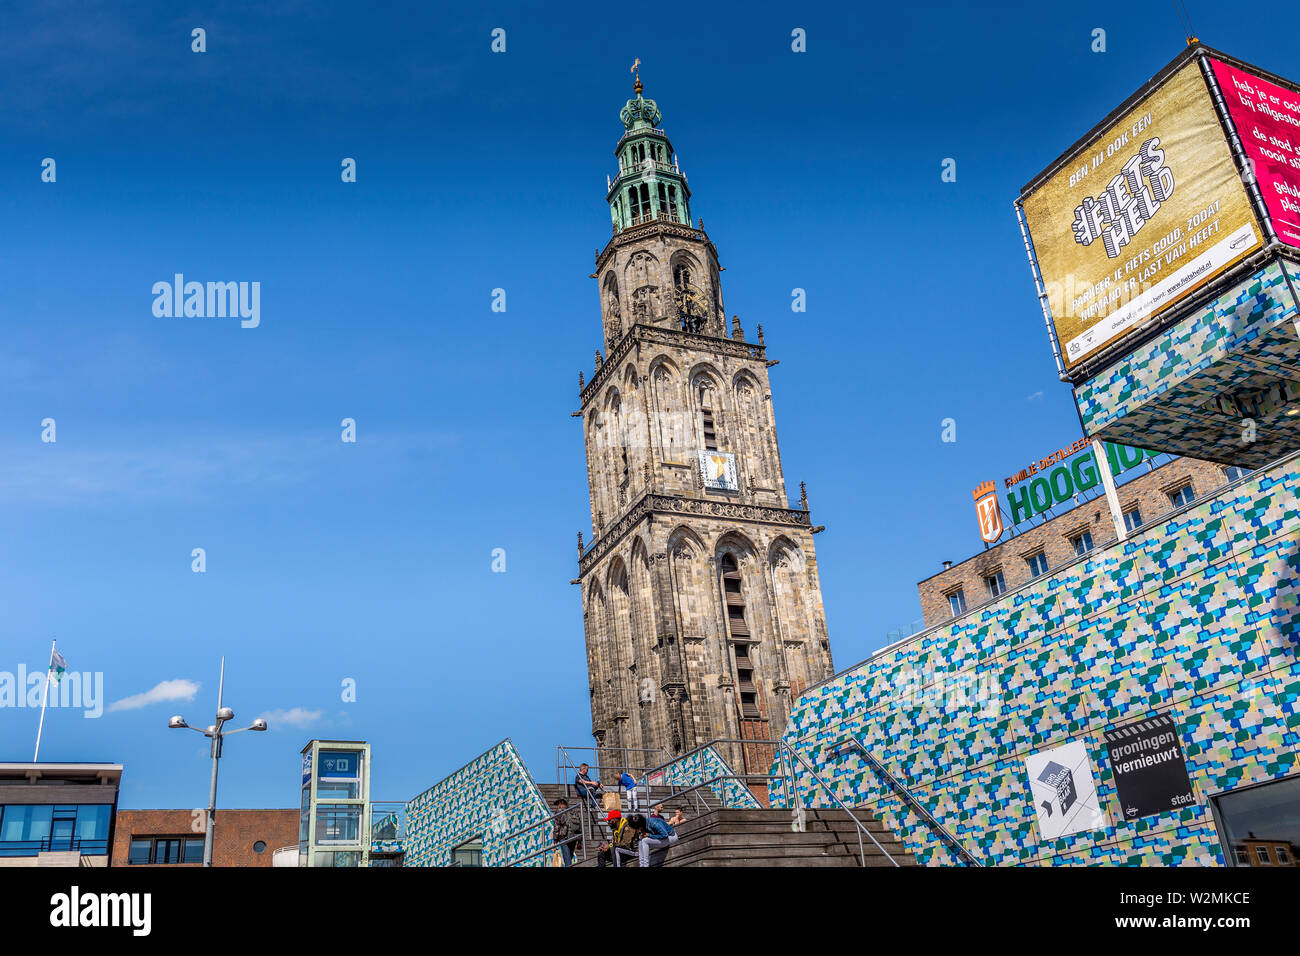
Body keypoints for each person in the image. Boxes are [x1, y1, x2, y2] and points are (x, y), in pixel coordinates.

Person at [552, 799, 576, 866]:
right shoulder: (573, 811)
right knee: (569, 857)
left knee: (567, 858)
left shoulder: (559, 812)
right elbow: (579, 825)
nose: (558, 806)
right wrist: (580, 840)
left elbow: (557, 826)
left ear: (560, 803)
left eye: (558, 804)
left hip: (564, 836)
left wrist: (555, 840)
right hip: (574, 836)